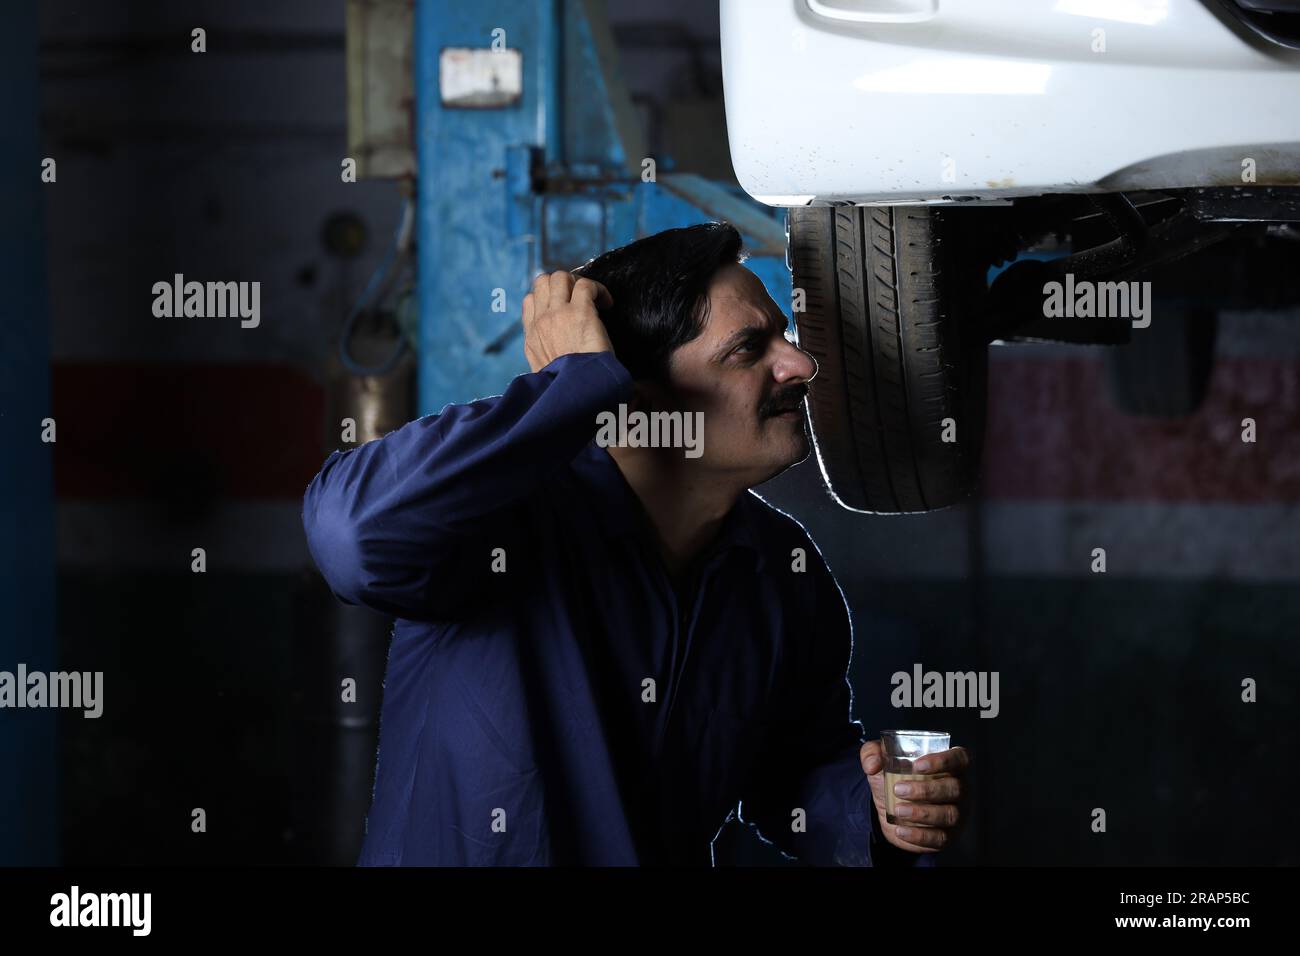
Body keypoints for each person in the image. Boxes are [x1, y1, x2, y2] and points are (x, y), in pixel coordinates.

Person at [302, 221, 970, 865]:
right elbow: (354, 533)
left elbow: (793, 776)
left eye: (783, 336)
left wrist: (874, 811)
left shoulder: (781, 572)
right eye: (748, 349)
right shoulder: (499, 522)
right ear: (638, 401)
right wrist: (572, 386)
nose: (799, 363)